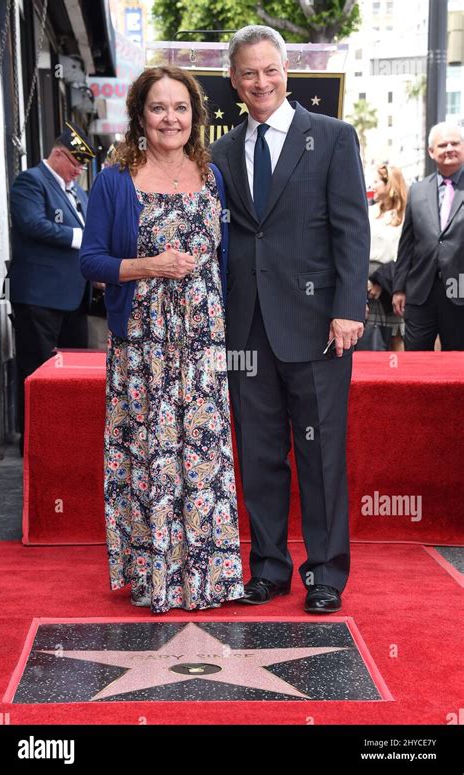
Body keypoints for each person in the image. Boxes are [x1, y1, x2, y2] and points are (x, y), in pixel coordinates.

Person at [211, 25, 370, 613]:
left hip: (318, 326)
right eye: (248, 73)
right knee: (257, 452)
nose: (260, 82)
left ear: (287, 72)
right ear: (234, 80)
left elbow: (352, 228)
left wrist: (349, 308)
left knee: (321, 452)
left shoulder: (330, 138)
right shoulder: (223, 152)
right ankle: (269, 567)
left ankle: (325, 573)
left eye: (269, 70)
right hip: (247, 328)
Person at [80, 66, 244, 614]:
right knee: (152, 452)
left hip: (201, 338)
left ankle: (209, 576)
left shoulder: (211, 173)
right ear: (140, 115)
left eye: (180, 108)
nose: (170, 118)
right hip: (143, 342)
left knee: (203, 454)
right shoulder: (114, 178)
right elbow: (91, 261)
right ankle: (159, 578)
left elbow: (223, 259)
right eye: (158, 108)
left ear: (195, 116)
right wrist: (148, 265)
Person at [8, 121, 96, 452]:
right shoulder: (31, 181)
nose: (78, 171)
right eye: (75, 163)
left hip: (74, 297)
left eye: (83, 165)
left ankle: (66, 439)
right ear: (58, 153)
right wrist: (80, 238)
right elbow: (32, 225)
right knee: (38, 370)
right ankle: (35, 443)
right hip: (40, 297)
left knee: (73, 372)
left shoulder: (80, 192)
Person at [392, 123, 464, 350]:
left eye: (455, 143)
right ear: (431, 151)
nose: (449, 148)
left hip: (460, 290)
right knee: (415, 363)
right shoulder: (418, 190)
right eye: (442, 145)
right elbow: (407, 244)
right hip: (420, 292)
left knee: (458, 366)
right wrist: (399, 288)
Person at [360, 164, 407, 351]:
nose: (372, 185)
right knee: (367, 338)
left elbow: (404, 254)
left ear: (391, 184)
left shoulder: (404, 215)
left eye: (377, 181)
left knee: (395, 337)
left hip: (391, 283)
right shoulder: (368, 212)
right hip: (365, 281)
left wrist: (381, 281)